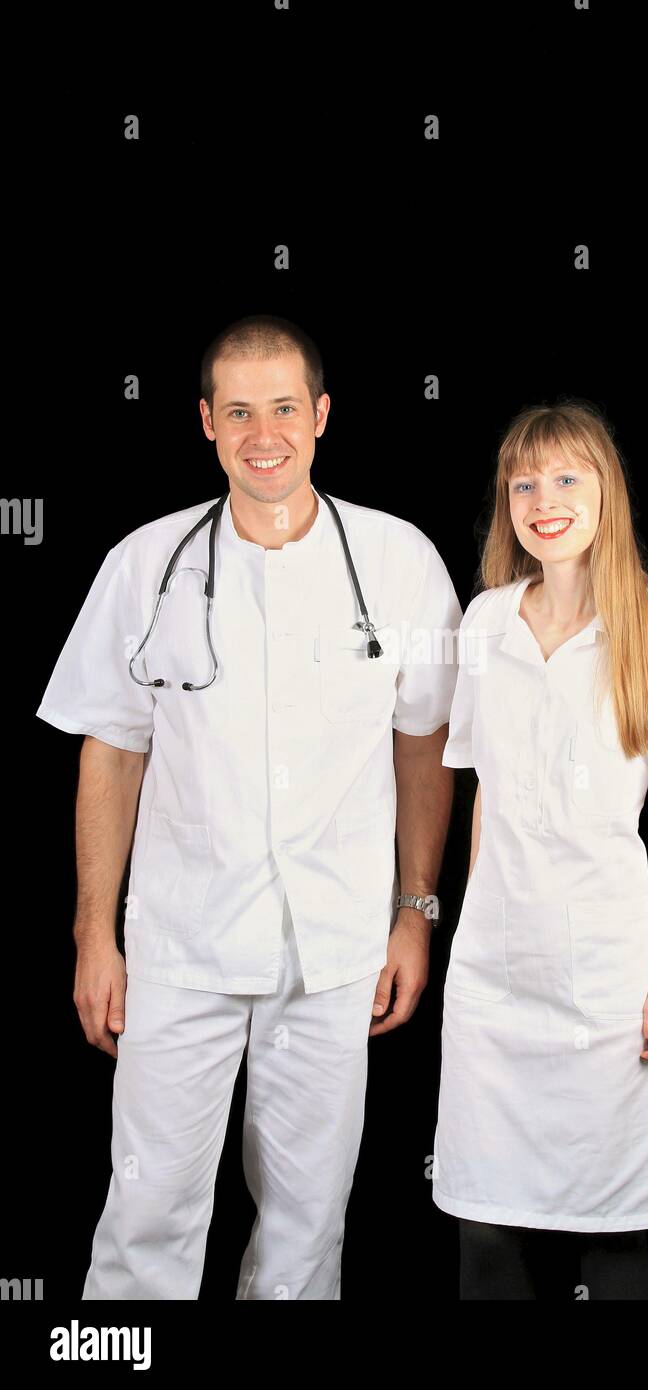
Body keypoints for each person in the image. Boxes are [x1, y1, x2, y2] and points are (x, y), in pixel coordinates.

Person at [35, 314, 462, 1300]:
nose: (261, 433)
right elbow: (112, 748)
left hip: (335, 948)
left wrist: (415, 909)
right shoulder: (146, 563)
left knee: (308, 1226)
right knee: (145, 1215)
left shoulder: (397, 562)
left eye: (281, 408)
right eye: (237, 411)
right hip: (181, 947)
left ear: (319, 416)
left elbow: (424, 742)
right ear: (204, 423)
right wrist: (93, 934)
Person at [432, 400, 648, 1299]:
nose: (544, 499)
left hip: (611, 979)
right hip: (492, 979)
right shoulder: (484, 623)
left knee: (615, 1234)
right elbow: (481, 790)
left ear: (608, 492)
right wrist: (471, 933)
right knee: (485, 1230)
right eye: (524, 482)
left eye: (567, 477)